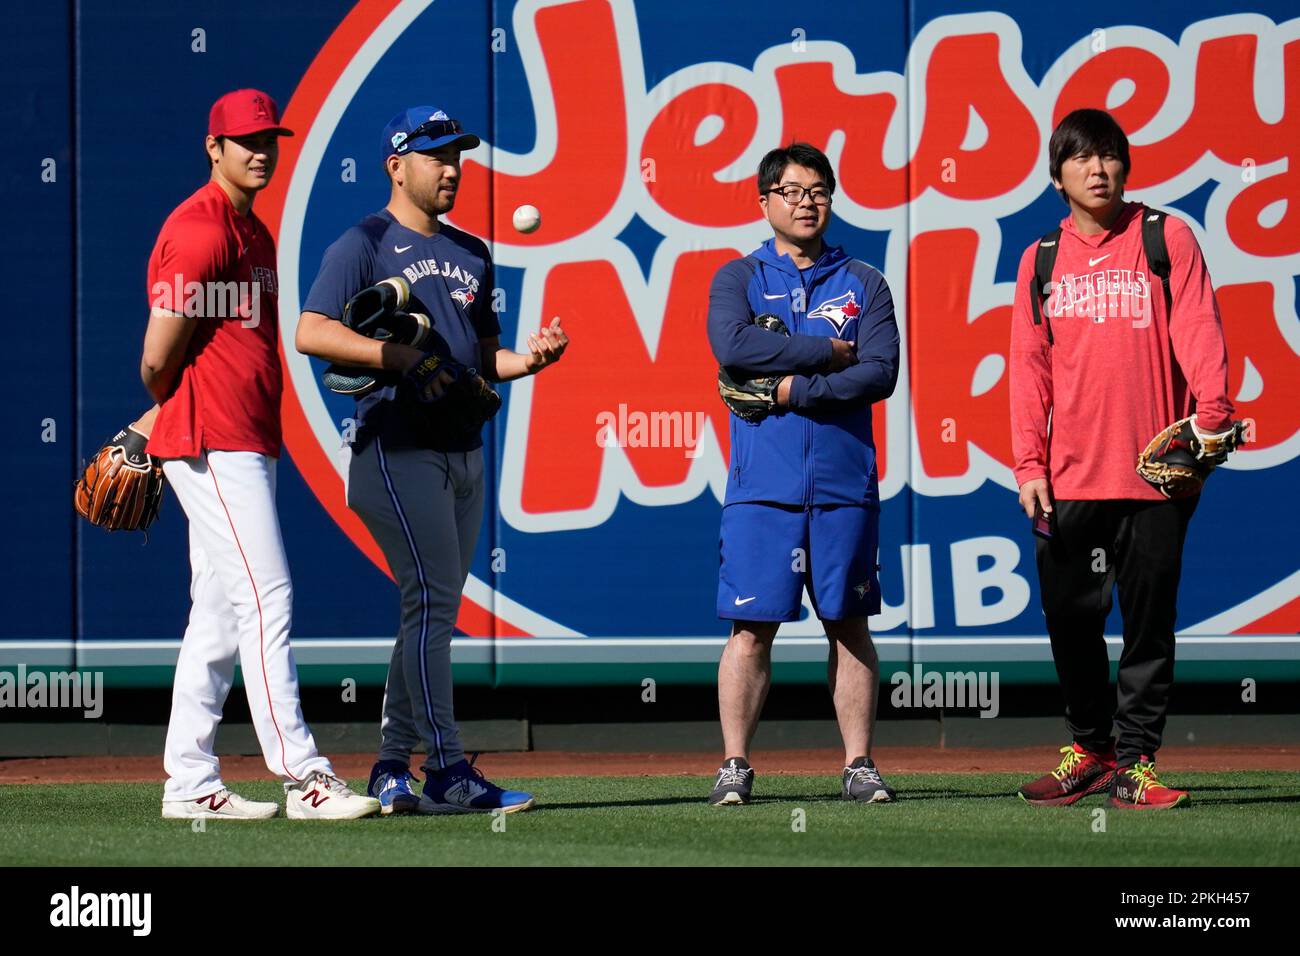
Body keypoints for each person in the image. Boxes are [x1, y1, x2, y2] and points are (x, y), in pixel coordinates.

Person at [296, 106, 568, 815]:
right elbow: (310, 330)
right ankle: (446, 768)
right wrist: (403, 357)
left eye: (459, 155)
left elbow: (481, 357)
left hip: (464, 450)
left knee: (427, 610)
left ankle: (391, 766)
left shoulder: (473, 252)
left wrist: (527, 360)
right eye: (437, 154)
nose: (452, 168)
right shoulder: (364, 241)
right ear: (397, 164)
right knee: (435, 605)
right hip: (394, 445)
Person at [142, 89, 380, 820]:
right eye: (245, 140)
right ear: (213, 148)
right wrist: (165, 414)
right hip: (214, 440)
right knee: (267, 596)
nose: (260, 151)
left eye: (269, 138)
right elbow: (156, 358)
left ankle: (188, 782)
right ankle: (303, 776)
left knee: (215, 620)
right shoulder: (203, 231)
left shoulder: (254, 231)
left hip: (243, 436)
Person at [1011, 109, 1236, 810]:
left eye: (1109, 155)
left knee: (1148, 625)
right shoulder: (1041, 258)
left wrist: (1212, 415)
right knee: (1070, 622)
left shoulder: (1165, 238)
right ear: (1058, 176)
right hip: (1070, 478)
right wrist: (1028, 465)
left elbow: (1199, 326)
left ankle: (1135, 764)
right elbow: (1027, 368)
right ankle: (1090, 750)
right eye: (1081, 157)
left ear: (1124, 165)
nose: (1098, 168)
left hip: (1154, 477)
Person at [705, 142, 900, 806]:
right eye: (791, 190)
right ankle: (734, 764)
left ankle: (858, 765)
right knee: (750, 628)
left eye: (818, 189)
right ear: (765, 201)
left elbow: (878, 373)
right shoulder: (739, 277)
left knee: (849, 622)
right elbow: (734, 348)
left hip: (845, 484)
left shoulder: (864, 282)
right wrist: (823, 354)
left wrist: (788, 389)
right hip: (763, 486)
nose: (807, 201)